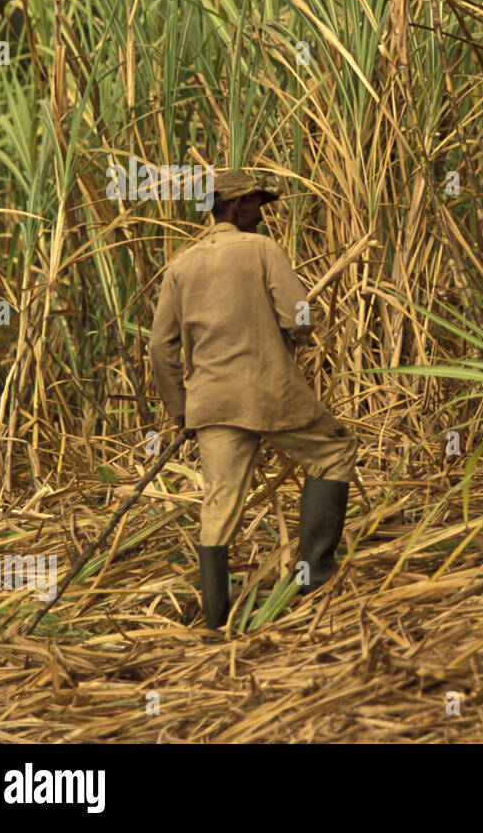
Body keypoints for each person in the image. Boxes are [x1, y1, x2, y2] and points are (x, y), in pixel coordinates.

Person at [149, 170, 357, 629]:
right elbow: (296, 313)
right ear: (239, 206)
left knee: (219, 503)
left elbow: (159, 348)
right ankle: (316, 575)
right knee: (335, 450)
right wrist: (304, 330)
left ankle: (216, 619)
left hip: (211, 404)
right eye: (256, 205)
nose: (261, 214)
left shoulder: (180, 267)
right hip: (270, 392)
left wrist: (180, 409)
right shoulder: (263, 250)